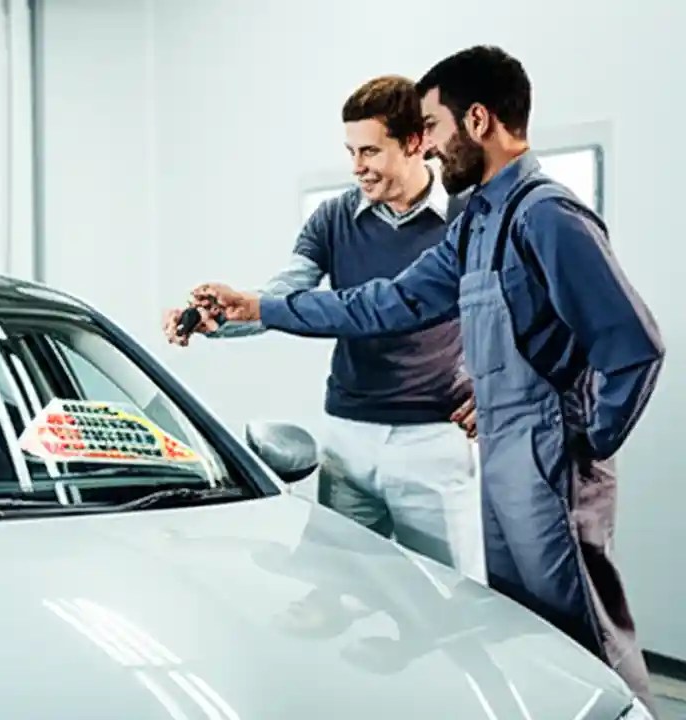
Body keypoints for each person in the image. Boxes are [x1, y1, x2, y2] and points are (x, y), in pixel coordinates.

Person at [189, 45, 662, 711]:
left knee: (582, 633)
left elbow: (632, 345)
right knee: (522, 626)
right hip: (504, 453)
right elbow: (386, 302)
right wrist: (260, 307)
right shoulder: (480, 221)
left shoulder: (547, 215)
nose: (432, 146)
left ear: (477, 120)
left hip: (546, 460)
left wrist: (582, 437)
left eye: (434, 127)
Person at [165, 75, 486, 584]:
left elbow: (516, 313)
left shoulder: (470, 217)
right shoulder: (333, 217)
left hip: (434, 439)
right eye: (350, 151)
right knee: (345, 590)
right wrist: (219, 320)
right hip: (346, 436)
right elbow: (286, 292)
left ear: (414, 143)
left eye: (370, 151)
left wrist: (496, 387)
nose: (357, 166)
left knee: (452, 594)